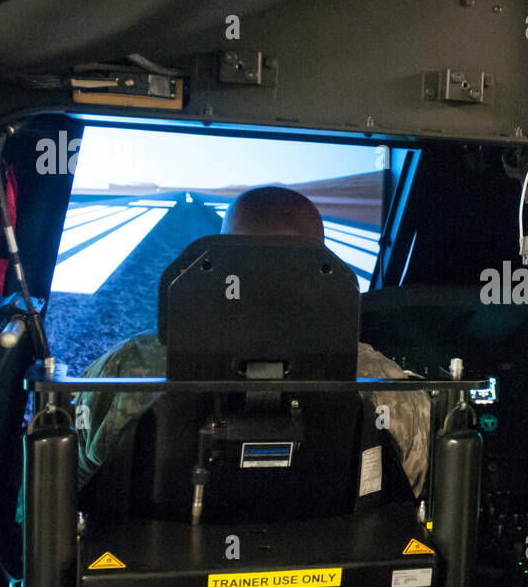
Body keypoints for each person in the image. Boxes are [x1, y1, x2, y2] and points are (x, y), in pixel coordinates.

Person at [74, 186, 431, 497]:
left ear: (220, 256)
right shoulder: (384, 382)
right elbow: (408, 492)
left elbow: (70, 484)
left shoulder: (128, 370)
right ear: (325, 267)